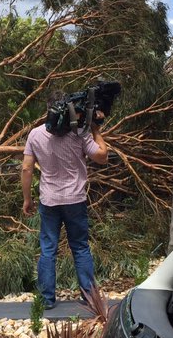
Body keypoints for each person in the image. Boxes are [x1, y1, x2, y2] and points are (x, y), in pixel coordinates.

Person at [21, 93, 108, 310]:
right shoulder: (79, 132)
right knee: (79, 247)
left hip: (49, 201)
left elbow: (26, 168)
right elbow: (102, 156)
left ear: (48, 109)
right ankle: (89, 297)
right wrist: (96, 128)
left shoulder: (35, 134)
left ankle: (47, 299)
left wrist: (27, 199)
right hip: (75, 200)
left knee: (48, 248)